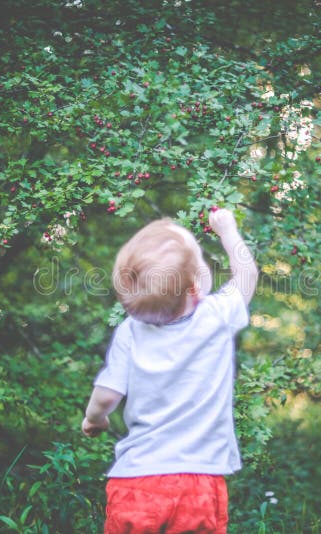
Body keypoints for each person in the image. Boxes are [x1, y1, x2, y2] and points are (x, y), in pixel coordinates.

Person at [81, 208, 258, 534]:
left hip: (134, 483)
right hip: (197, 483)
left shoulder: (130, 331)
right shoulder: (216, 317)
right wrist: (228, 231)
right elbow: (246, 276)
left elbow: (106, 395)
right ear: (194, 287)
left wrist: (94, 420)